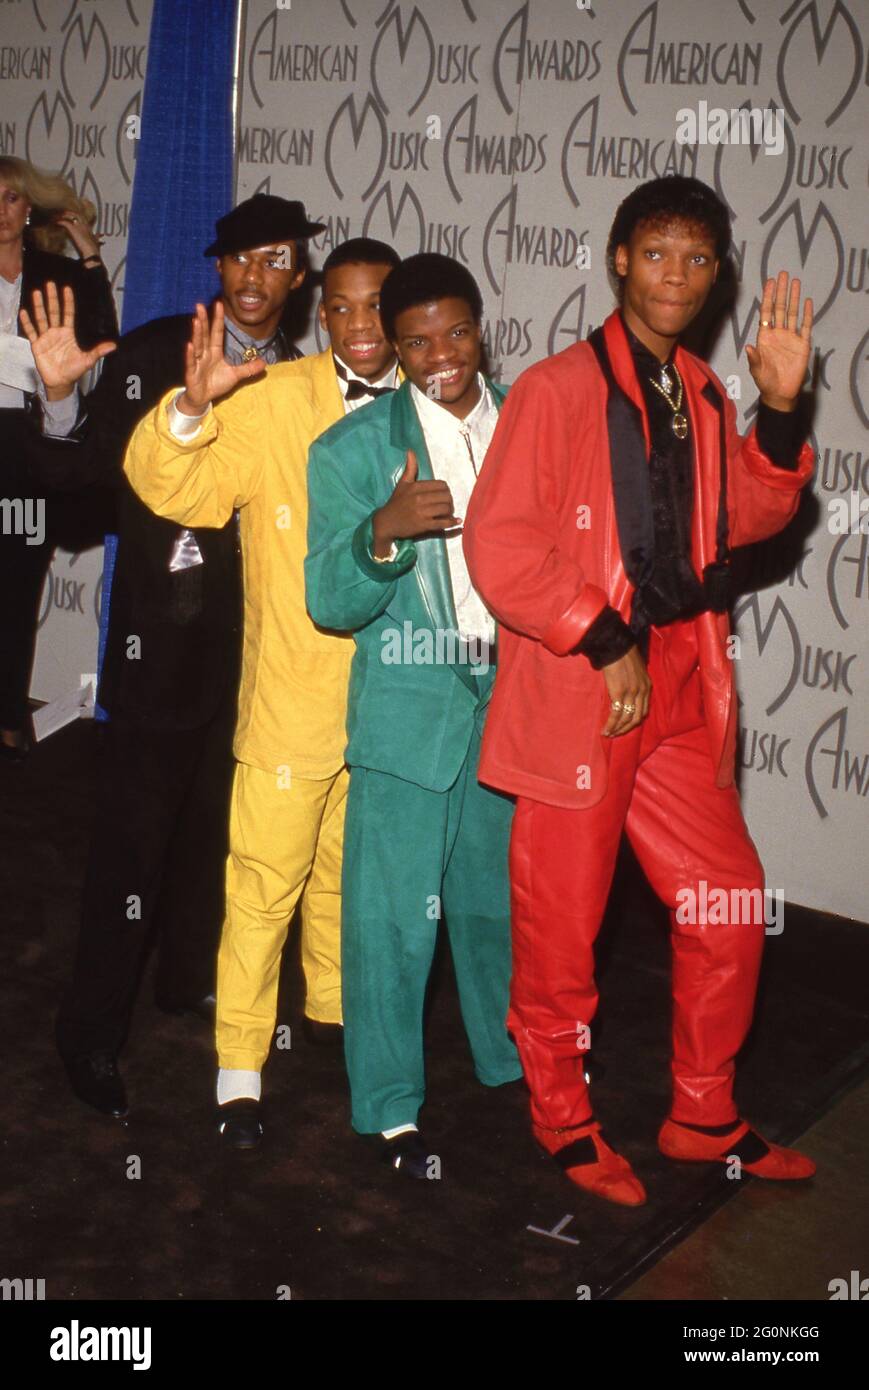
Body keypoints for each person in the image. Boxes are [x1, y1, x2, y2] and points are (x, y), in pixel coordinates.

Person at [463, 176, 817, 1206]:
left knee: (728, 902)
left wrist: (781, 412)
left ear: (716, 278)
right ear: (617, 258)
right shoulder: (555, 388)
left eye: (696, 259)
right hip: (587, 686)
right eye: (656, 252)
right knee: (561, 929)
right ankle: (561, 1116)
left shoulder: (703, 393)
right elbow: (501, 545)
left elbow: (737, 521)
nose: (676, 274)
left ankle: (701, 1112)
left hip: (679, 682)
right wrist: (601, 633)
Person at [21, 194, 318, 1118]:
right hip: (160, 655)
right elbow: (76, 492)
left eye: (276, 260)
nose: (255, 277)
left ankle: (188, 980)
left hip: (260, 657)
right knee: (128, 857)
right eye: (240, 259)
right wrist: (64, 399)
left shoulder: (307, 382)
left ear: (298, 276)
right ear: (216, 269)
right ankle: (90, 1036)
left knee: (216, 847)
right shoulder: (155, 352)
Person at [123, 237, 402, 1148]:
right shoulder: (277, 398)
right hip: (291, 693)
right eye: (343, 308)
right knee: (261, 887)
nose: (359, 327)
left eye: (378, 307)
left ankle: (330, 1013)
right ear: (322, 312)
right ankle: (238, 1068)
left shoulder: (434, 409)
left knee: (349, 881)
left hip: (397, 704)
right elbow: (178, 489)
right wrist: (190, 410)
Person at [305, 253, 522, 1179]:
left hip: (512, 707)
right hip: (408, 711)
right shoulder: (350, 451)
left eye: (458, 332)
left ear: (482, 325)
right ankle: (389, 1107)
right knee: (391, 922)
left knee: (499, 910)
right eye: (417, 342)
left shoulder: (529, 421)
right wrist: (382, 532)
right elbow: (329, 599)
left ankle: (511, 1066)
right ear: (391, 350)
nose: (443, 357)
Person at [0, 155, 117, 762]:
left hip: (26, 450)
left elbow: (102, 335)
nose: (1, 210)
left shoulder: (51, 273)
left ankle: (8, 716)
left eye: (12, 198)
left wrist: (88, 252)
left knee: (18, 588)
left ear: (29, 207)